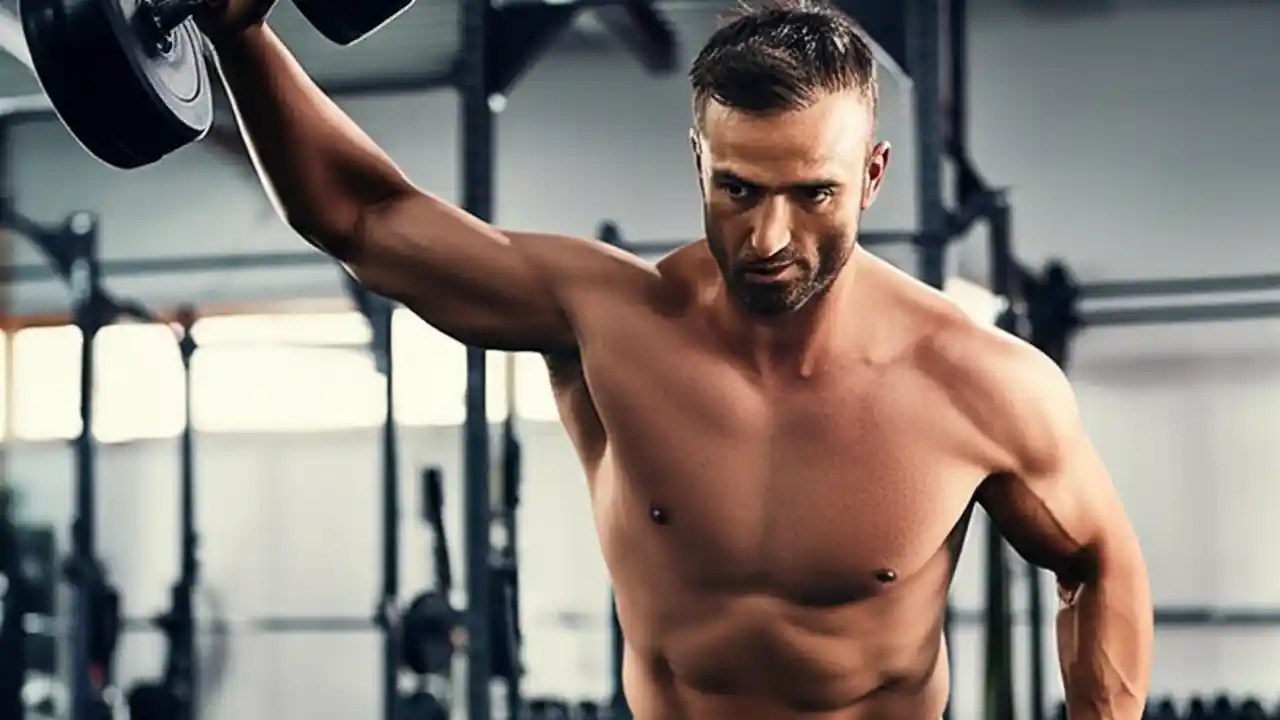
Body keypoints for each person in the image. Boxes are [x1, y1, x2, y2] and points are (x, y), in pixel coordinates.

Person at [201, 0, 1153, 716]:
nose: (770, 238)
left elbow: (1098, 560)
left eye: (813, 194)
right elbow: (362, 218)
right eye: (737, 188)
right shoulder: (605, 319)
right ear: (696, 158)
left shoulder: (979, 381)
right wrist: (236, 34)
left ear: (872, 174)